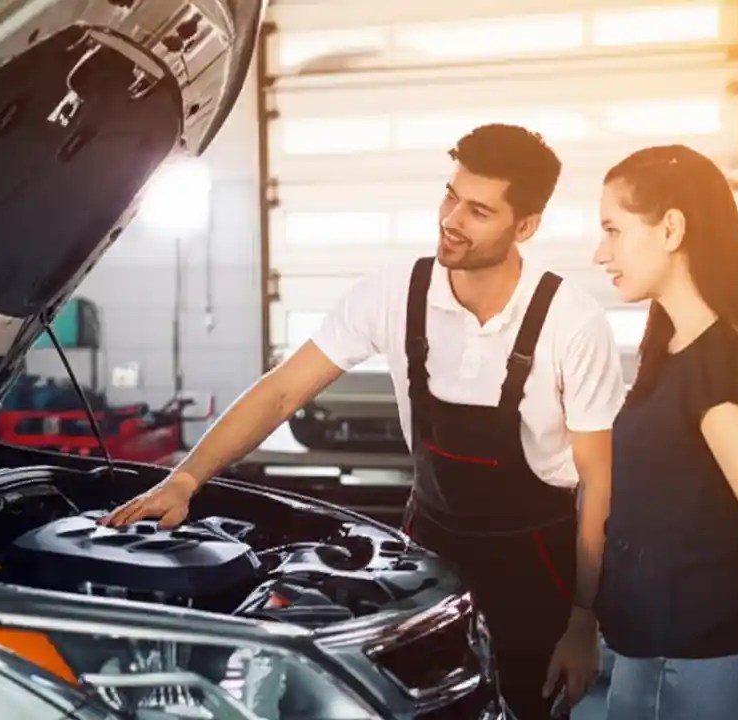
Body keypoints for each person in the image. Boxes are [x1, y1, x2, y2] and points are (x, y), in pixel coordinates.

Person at [102, 124, 628, 719]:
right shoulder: (394, 294)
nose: (452, 218)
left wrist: (584, 620)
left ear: (525, 226)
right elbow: (281, 393)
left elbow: (598, 485)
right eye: (450, 195)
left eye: (478, 210)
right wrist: (185, 479)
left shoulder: (571, 322)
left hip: (536, 569)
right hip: (430, 548)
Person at [589, 145, 738, 720]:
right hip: (657, 651)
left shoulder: (720, 366)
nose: (601, 253)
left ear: (670, 228)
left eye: (613, 230)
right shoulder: (669, 353)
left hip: (701, 660)